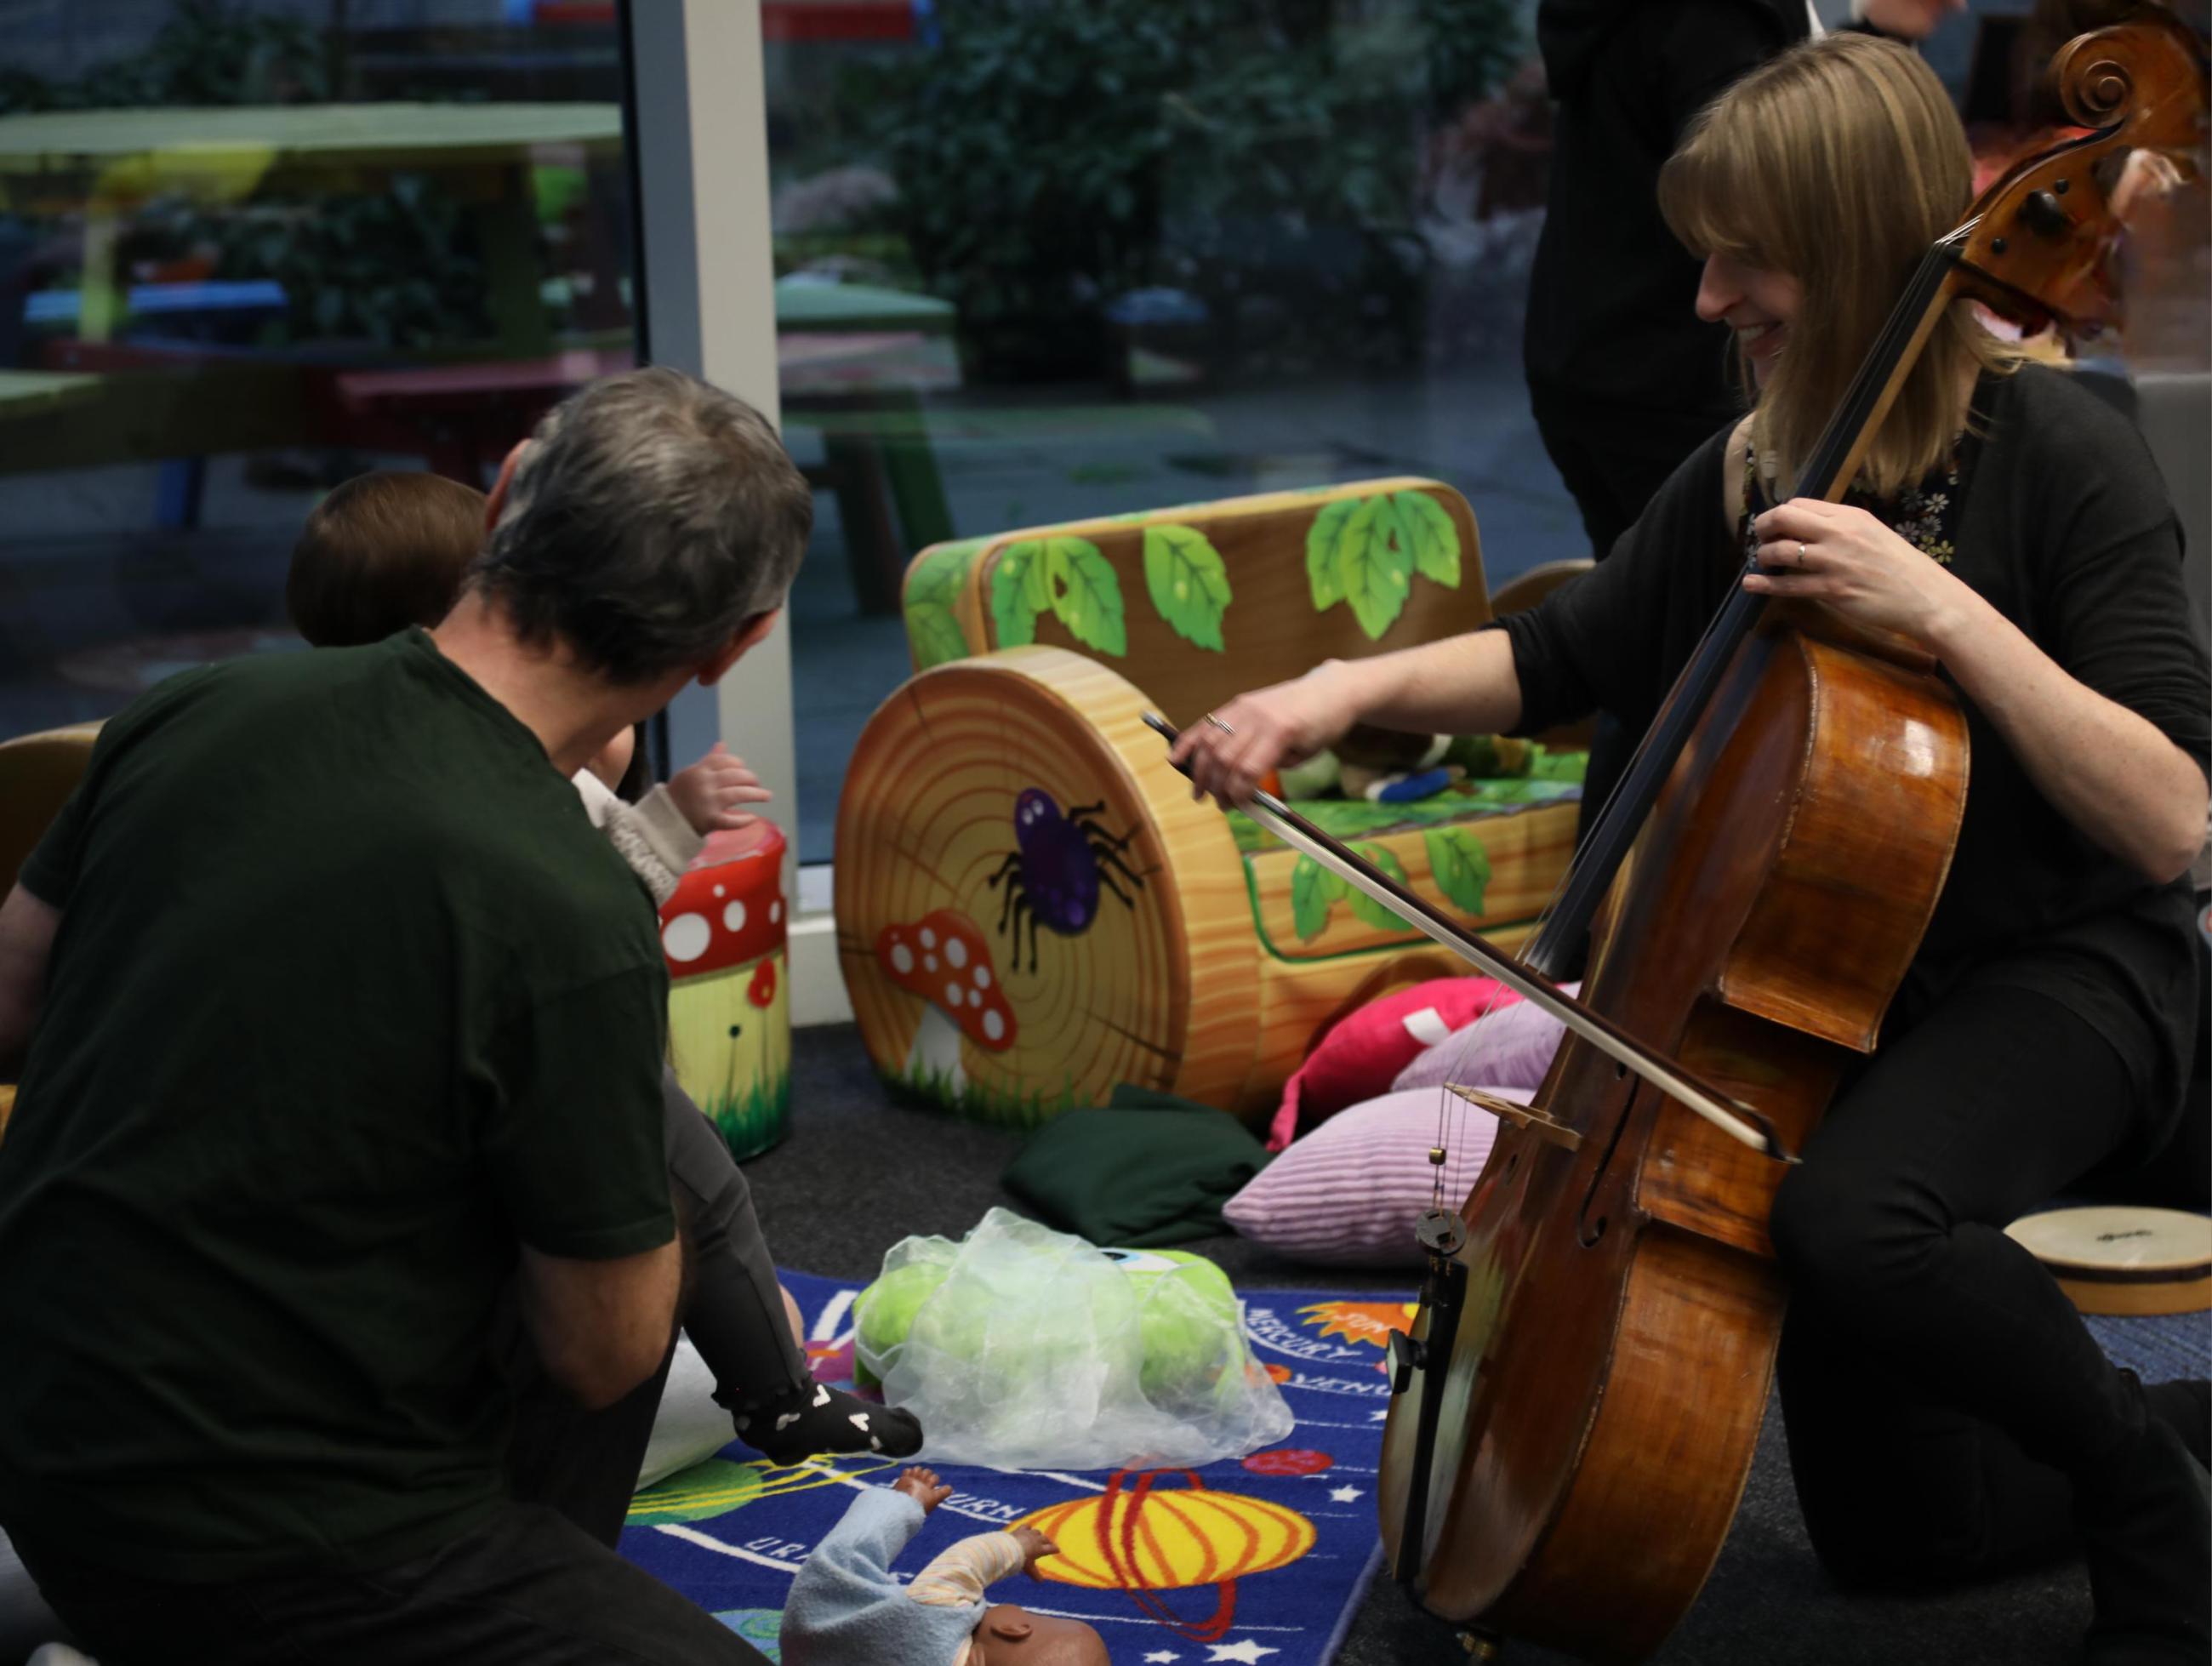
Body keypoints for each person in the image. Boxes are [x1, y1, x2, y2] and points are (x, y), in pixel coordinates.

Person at [1177, 35, 2209, 1663]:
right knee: (1896, 1541)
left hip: (2076, 966)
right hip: (1852, 991)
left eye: (1751, 258)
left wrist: (1935, 607)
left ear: (1865, 250)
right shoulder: (1752, 464)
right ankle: (2187, 1430)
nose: (1713, 298)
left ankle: (2153, 1501)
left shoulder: (2065, 451)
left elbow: (2173, 812)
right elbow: (1560, 658)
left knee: (1848, 1221)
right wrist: (1331, 690)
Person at [0, 368, 813, 1662]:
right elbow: (603, 1355)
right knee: (616, 1244)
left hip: (39, 1445)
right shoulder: (570, 909)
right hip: (271, 1541)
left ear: (498, 505)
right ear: (736, 643)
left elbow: (13, 1002)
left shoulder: (188, 710)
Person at [284, 471, 924, 1524]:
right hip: (543, 1091)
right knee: (703, 1194)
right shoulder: (515, 788)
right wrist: (658, 812)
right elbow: (587, 917)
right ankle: (777, 1395)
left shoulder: (321, 753)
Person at [1525, 0, 1959, 859]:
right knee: (1668, 663)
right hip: (1665, 377)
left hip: (1591, 353)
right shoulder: (1715, 21)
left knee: (1663, 665)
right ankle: (1619, 925)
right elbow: (1777, 200)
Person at [780, 1467, 1109, 1666]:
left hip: (818, 1622)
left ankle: (904, 1499)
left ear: (1013, 1629)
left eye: (1032, 1616)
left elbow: (966, 1562)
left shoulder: (937, 1614)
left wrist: (1017, 1547)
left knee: (847, 1556)